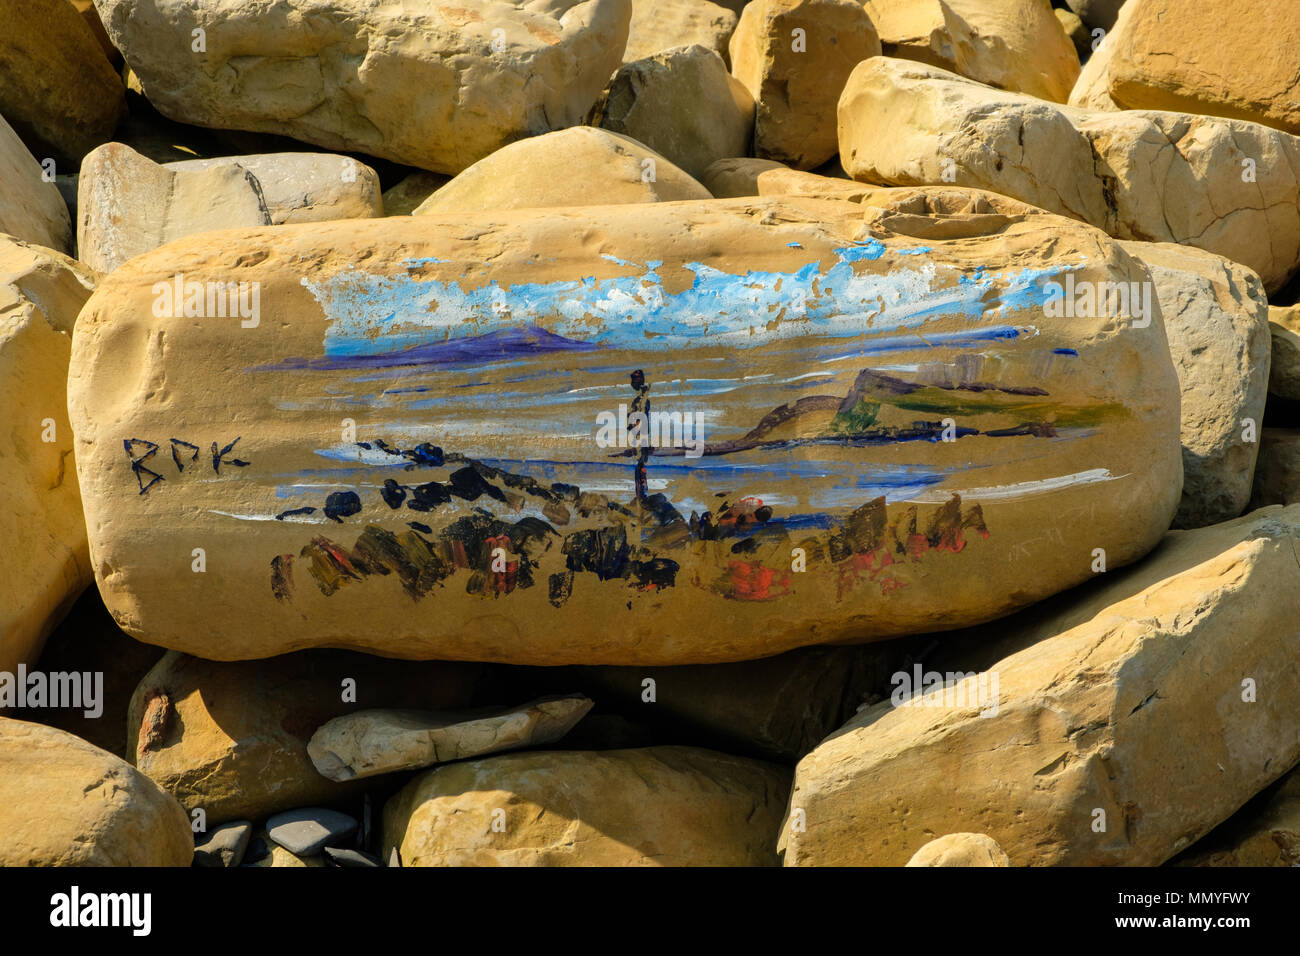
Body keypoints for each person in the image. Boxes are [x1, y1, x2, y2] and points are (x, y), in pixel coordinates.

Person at [628, 369, 652, 501]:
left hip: (640, 435)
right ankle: (642, 494)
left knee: (640, 465)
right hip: (640, 435)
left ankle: (642, 494)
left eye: (634, 380)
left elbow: (641, 417)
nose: (632, 383)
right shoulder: (642, 398)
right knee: (640, 465)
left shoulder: (642, 398)